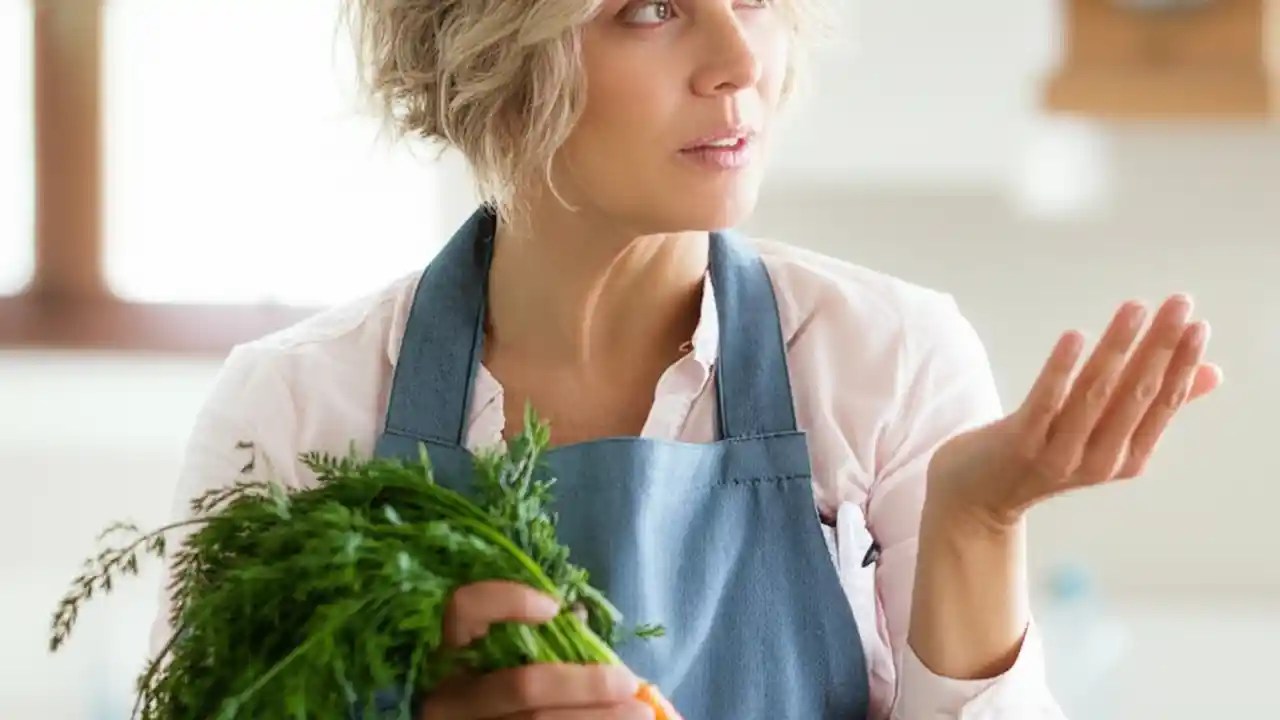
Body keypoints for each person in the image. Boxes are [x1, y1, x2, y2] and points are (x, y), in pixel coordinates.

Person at [149, 0, 1224, 718]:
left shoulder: (884, 359)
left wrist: (976, 519)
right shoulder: (294, 407)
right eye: (650, 7)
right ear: (488, 43)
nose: (738, 59)